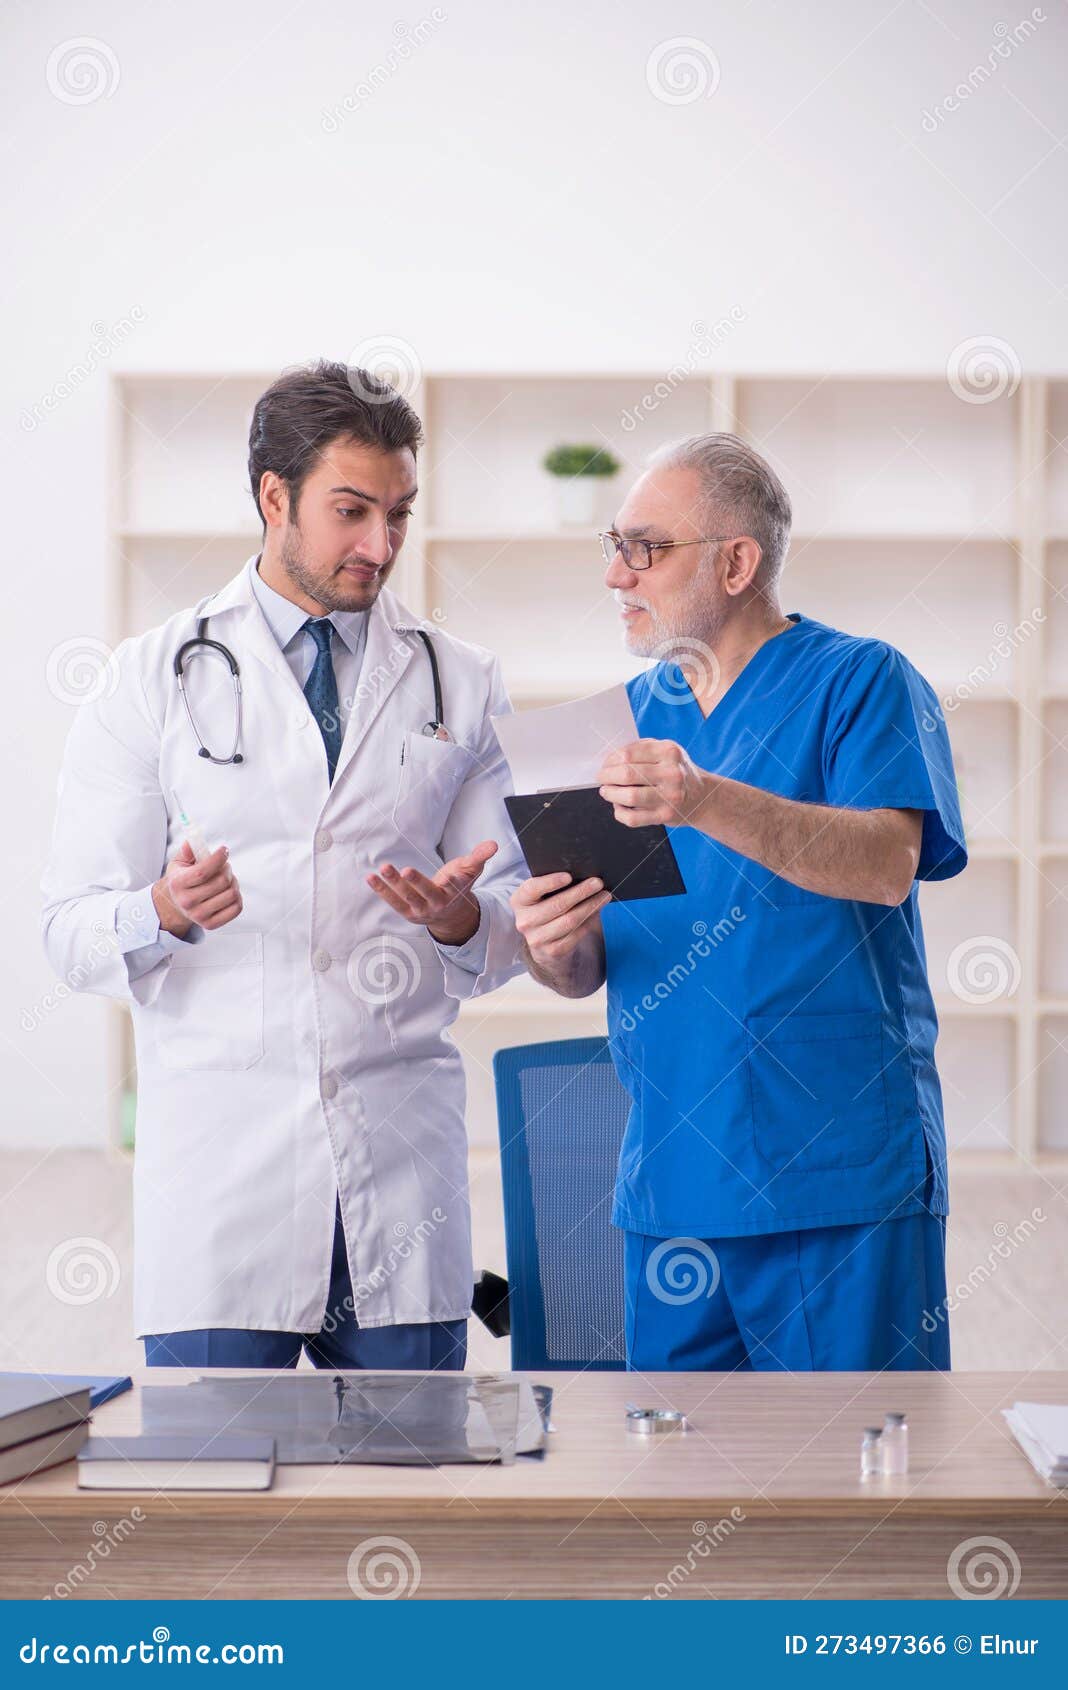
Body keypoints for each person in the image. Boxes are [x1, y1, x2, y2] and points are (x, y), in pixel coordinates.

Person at [41, 359, 525, 1370]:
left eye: (398, 513)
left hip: (398, 1163)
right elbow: (68, 929)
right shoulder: (149, 677)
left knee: (410, 1491)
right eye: (351, 511)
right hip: (226, 1169)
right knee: (213, 1494)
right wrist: (162, 911)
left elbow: (516, 912)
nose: (380, 545)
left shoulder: (460, 679)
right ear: (274, 496)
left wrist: (459, 919)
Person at [512, 432, 966, 1372]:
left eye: (644, 547)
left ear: (736, 562)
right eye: (612, 545)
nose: (614, 574)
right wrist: (552, 947)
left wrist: (706, 798)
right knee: (677, 1495)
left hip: (835, 1178)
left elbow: (887, 860)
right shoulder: (623, 723)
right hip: (672, 1186)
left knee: (856, 1489)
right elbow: (591, 959)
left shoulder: (861, 680)